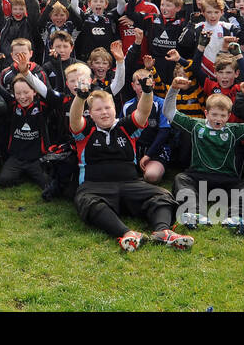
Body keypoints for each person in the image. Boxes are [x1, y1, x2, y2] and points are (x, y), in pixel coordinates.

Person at [68, 74, 191, 252]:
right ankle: (128, 234)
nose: (104, 112)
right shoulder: (84, 130)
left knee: (163, 196)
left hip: (130, 184)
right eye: (98, 109)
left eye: (107, 108)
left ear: (114, 108)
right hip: (95, 187)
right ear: (91, 114)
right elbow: (74, 118)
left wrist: (147, 92)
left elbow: (142, 113)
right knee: (88, 202)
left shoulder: (125, 127)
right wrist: (80, 97)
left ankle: (163, 232)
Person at [164, 77, 244, 231]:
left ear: (228, 116)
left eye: (223, 115)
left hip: (227, 180)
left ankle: (235, 218)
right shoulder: (196, 125)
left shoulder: (233, 130)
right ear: (206, 113)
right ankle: (196, 213)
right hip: (198, 177)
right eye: (214, 114)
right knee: (181, 178)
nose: (218, 119)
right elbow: (169, 112)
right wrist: (173, 89)